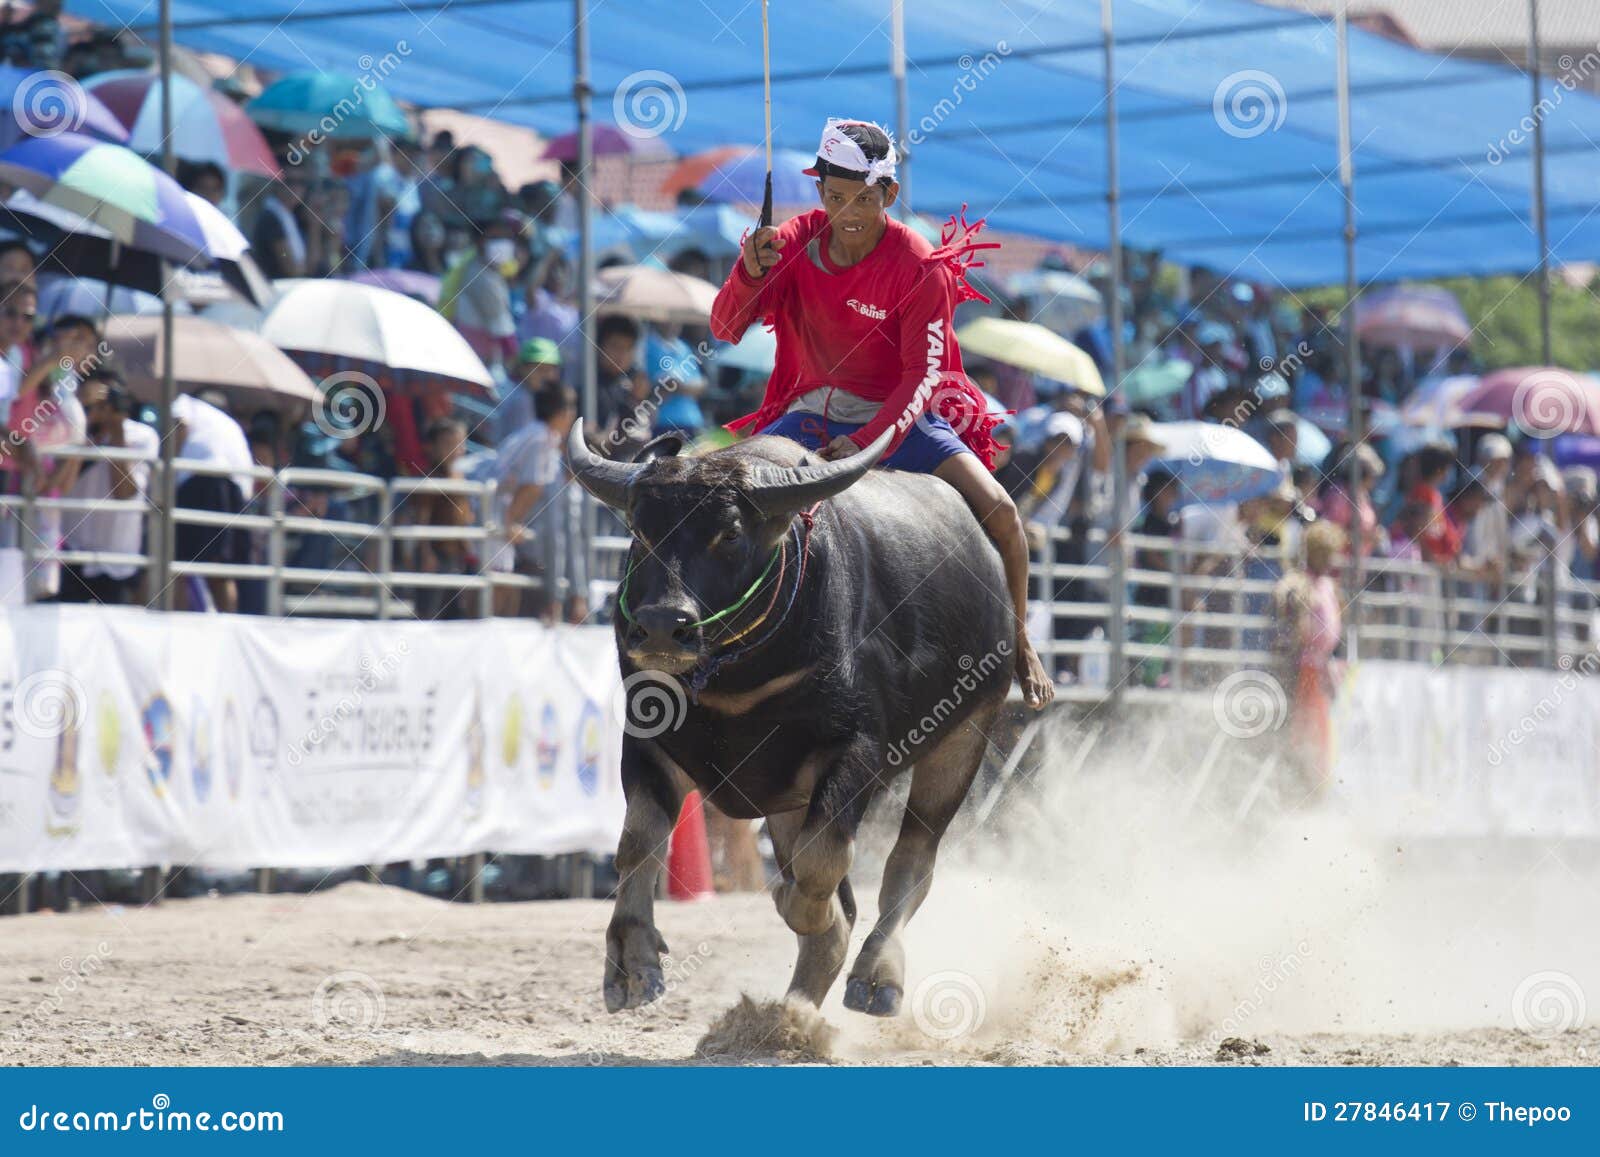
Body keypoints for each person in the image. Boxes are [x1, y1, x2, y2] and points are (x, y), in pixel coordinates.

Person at [710, 118, 1052, 707]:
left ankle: (1018, 640)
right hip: (808, 414)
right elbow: (723, 327)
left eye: (864, 199)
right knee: (721, 505)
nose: (848, 212)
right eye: (835, 196)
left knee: (1003, 514)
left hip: (897, 417)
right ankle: (716, 641)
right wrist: (748, 272)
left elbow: (922, 377)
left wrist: (867, 439)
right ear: (819, 190)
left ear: (889, 195)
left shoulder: (919, 263)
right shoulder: (786, 242)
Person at [57, 370, 155, 604]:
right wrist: (81, 418)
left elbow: (123, 493)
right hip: (70, 555)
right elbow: (57, 482)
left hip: (116, 562)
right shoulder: (70, 428)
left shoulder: (142, 436)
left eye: (111, 398)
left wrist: (116, 431)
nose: (104, 405)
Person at [493, 338, 563, 445]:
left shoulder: (537, 397)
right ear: (523, 369)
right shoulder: (521, 399)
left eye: (550, 370)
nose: (546, 375)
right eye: (539, 369)